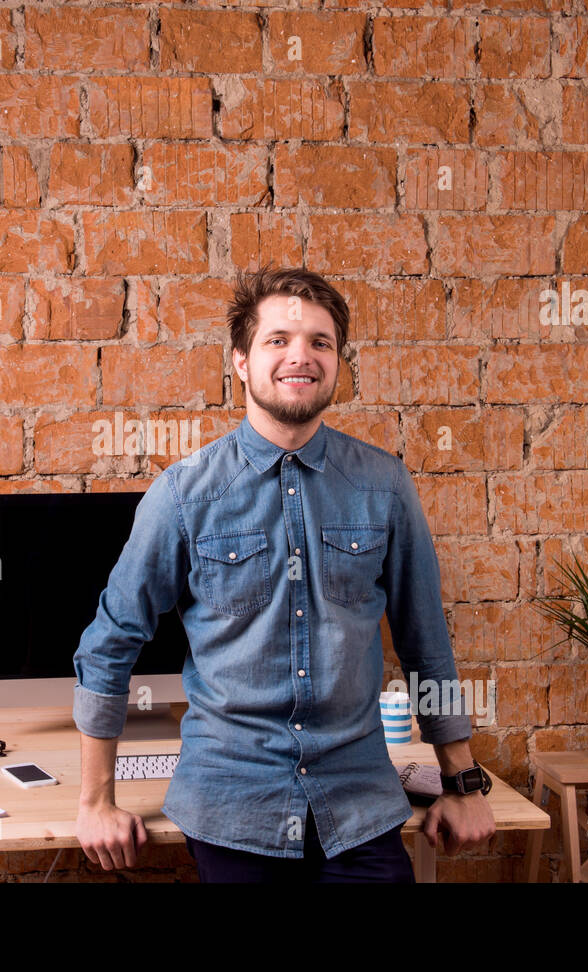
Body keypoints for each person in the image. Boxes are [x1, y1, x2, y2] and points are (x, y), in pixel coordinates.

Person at [72, 265, 494, 882]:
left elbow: (426, 644)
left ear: (338, 364)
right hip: (232, 803)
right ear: (241, 361)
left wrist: (461, 781)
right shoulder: (184, 496)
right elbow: (109, 645)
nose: (302, 355)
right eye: (279, 340)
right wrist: (94, 802)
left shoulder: (385, 486)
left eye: (320, 342)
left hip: (359, 804)